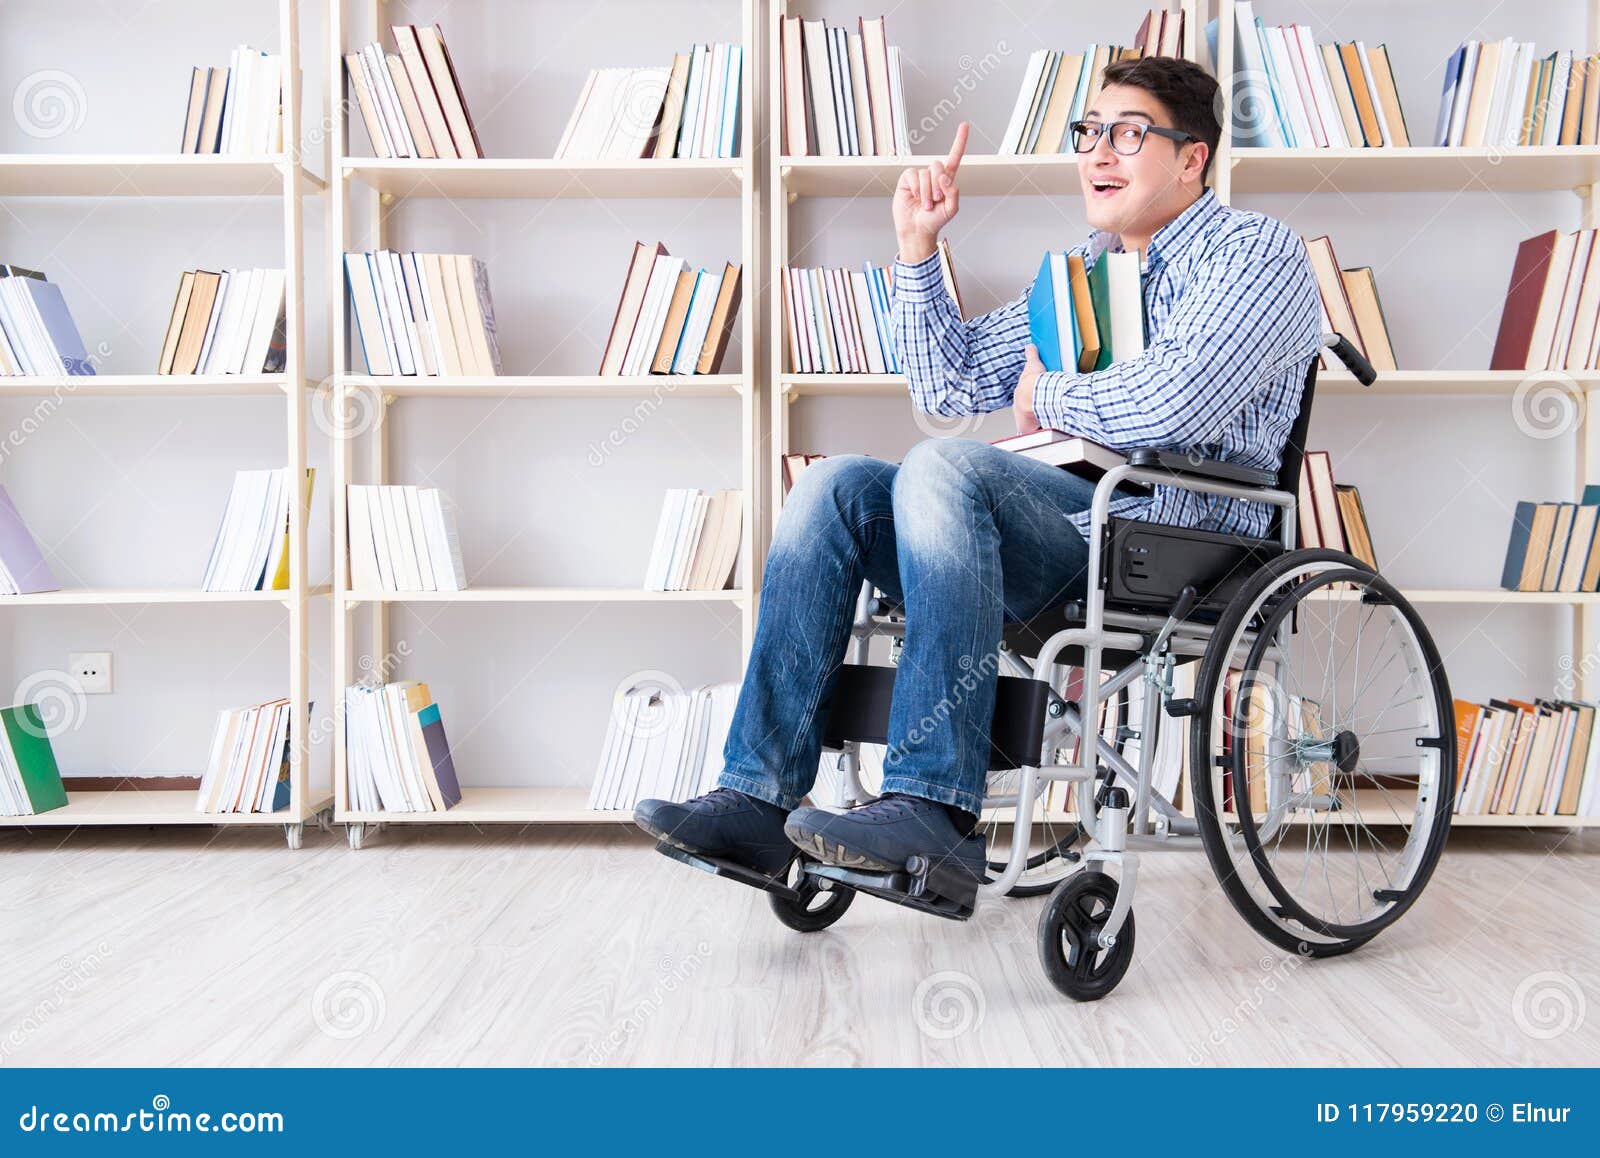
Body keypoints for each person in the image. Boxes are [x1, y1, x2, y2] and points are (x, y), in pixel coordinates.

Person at [634, 56, 1321, 900]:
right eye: (1090, 133)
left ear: (1192, 158)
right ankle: (756, 799)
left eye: (1128, 134)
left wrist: (1047, 393)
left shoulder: (1254, 253)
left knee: (943, 465)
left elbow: (1173, 402)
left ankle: (933, 808)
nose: (1099, 153)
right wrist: (918, 249)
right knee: (835, 486)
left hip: (1174, 545)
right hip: (1069, 528)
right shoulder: (1085, 273)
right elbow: (948, 385)